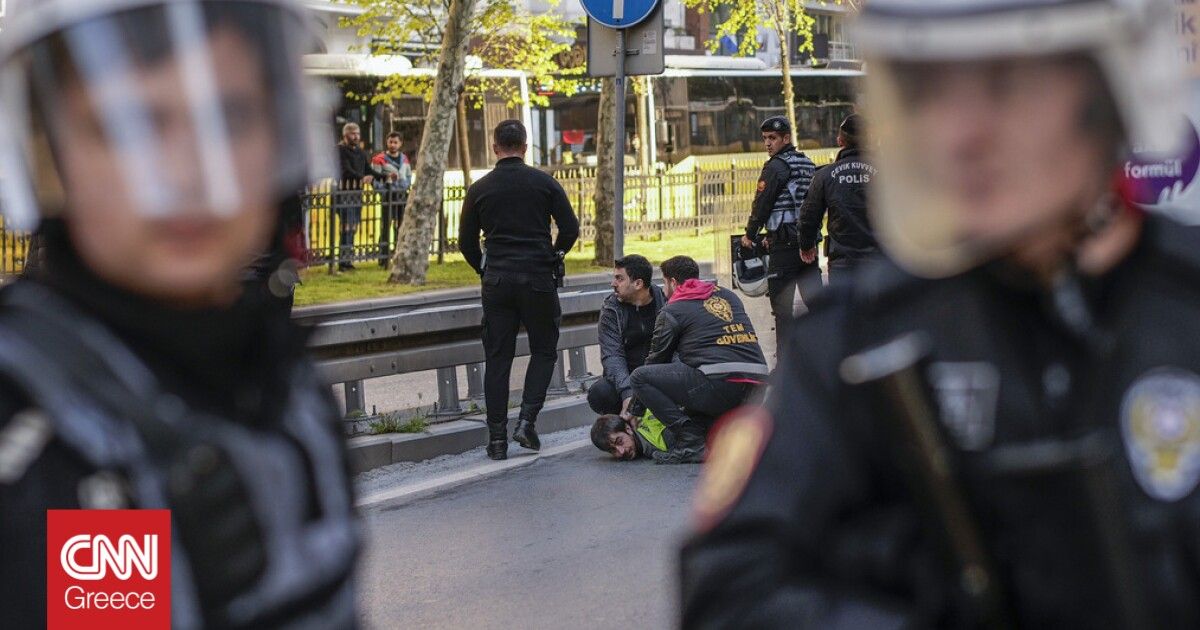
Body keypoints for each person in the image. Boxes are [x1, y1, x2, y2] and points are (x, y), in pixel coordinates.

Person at [680, 0, 1195, 628]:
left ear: (1105, 92)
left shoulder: (1183, 303)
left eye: (1005, 84)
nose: (961, 133)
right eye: (929, 92)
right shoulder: (861, 336)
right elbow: (730, 586)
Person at [0, 1, 359, 628]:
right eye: (127, 124)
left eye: (229, 117)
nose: (187, 173)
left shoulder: (283, 381)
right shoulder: (30, 425)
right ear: (47, 147)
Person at [459, 120, 580, 460]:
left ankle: (496, 440)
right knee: (544, 350)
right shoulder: (544, 183)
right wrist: (555, 253)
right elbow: (569, 228)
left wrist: (484, 266)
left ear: (495, 147)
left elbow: (466, 243)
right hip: (538, 278)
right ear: (525, 147)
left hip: (497, 280)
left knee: (497, 358)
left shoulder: (480, 189)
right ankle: (526, 421)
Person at [628, 256, 767, 465]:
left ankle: (690, 442)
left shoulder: (672, 310)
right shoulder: (728, 295)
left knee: (640, 377)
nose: (664, 291)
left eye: (664, 283)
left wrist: (635, 410)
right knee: (692, 375)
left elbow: (656, 361)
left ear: (673, 282)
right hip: (757, 385)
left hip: (719, 385)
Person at [740, 116, 817, 358]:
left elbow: (762, 203)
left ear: (786, 138)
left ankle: (786, 365)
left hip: (785, 246)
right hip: (808, 243)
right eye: (764, 139)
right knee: (816, 304)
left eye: (772, 138)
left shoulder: (776, 166)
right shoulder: (806, 163)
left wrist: (750, 234)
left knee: (782, 308)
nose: (767, 144)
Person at [799, 114, 880, 281]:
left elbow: (809, 215)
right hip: (881, 264)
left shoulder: (824, 176)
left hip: (843, 264)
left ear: (840, 141)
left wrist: (806, 245)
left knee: (846, 307)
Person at [589, 254, 666, 417]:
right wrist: (627, 393)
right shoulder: (611, 309)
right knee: (600, 393)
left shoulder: (665, 302)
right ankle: (622, 428)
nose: (613, 284)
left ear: (638, 283)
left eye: (619, 279)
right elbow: (612, 355)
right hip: (627, 378)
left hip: (660, 375)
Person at [371, 131, 412, 268]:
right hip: (388, 197)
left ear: (400, 144)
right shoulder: (379, 159)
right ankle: (383, 257)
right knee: (386, 226)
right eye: (391, 142)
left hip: (401, 196)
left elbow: (408, 177)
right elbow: (375, 180)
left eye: (396, 142)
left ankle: (398, 254)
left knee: (401, 226)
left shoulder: (404, 159)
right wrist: (387, 187)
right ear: (386, 142)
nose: (393, 145)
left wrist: (401, 185)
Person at [336, 122, 372, 271]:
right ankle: (343, 261)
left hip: (357, 193)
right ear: (345, 135)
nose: (356, 136)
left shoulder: (361, 152)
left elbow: (369, 170)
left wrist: (385, 176)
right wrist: (361, 178)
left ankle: (348, 258)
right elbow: (345, 169)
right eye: (353, 134)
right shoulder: (340, 150)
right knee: (346, 227)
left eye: (357, 133)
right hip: (344, 193)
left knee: (353, 227)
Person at [590, 412, 670, 461]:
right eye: (613, 450)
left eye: (620, 441)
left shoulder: (659, 433)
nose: (621, 452)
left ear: (628, 429)